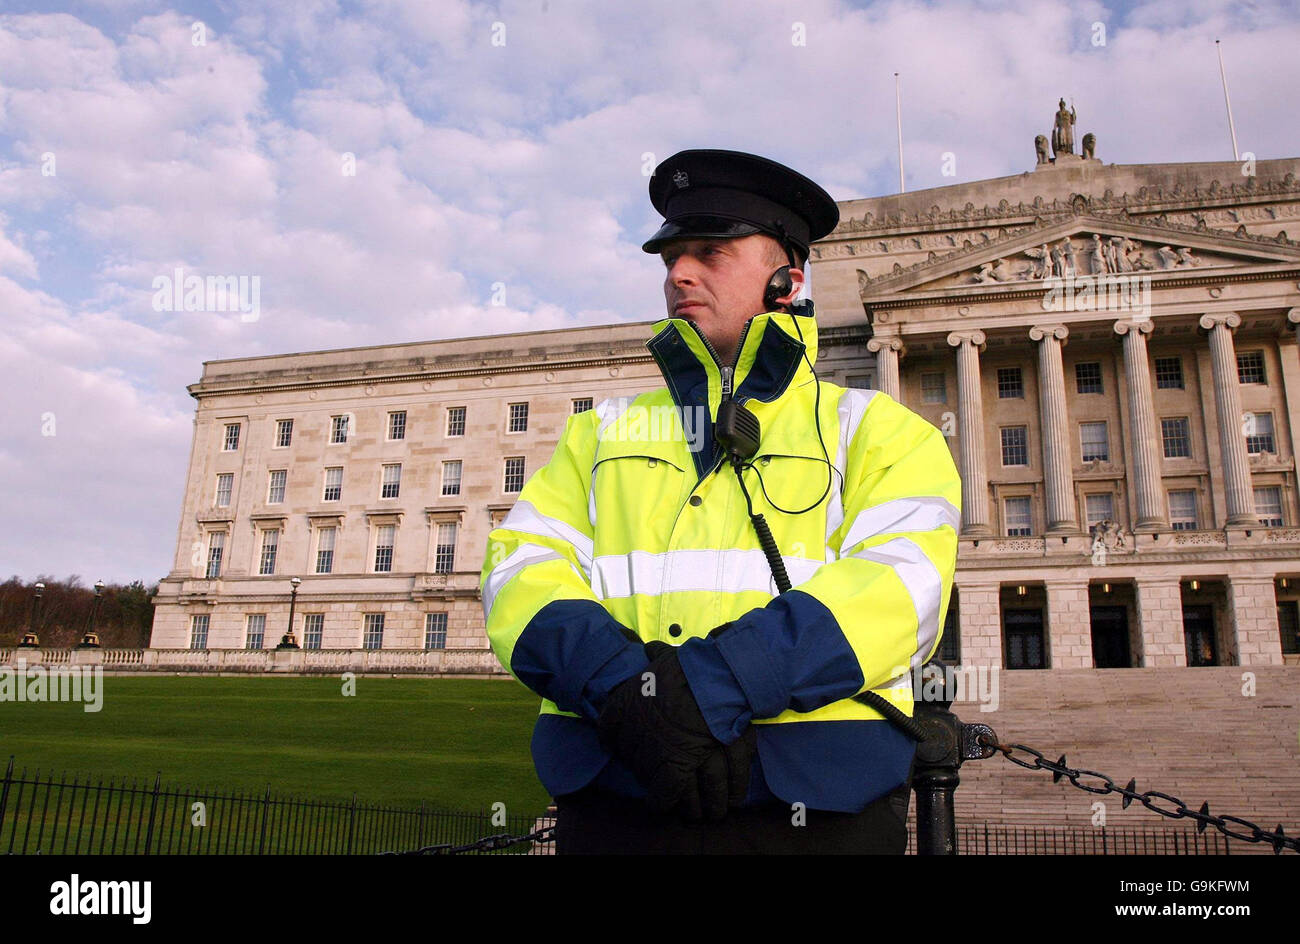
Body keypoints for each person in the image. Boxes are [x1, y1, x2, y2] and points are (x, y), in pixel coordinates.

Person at [480, 149, 961, 854]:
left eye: (710, 251)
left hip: (817, 813)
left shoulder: (880, 430)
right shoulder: (598, 432)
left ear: (786, 279)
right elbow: (516, 573)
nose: (678, 274)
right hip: (623, 792)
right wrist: (628, 696)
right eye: (671, 256)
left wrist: (711, 691)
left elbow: (899, 589)